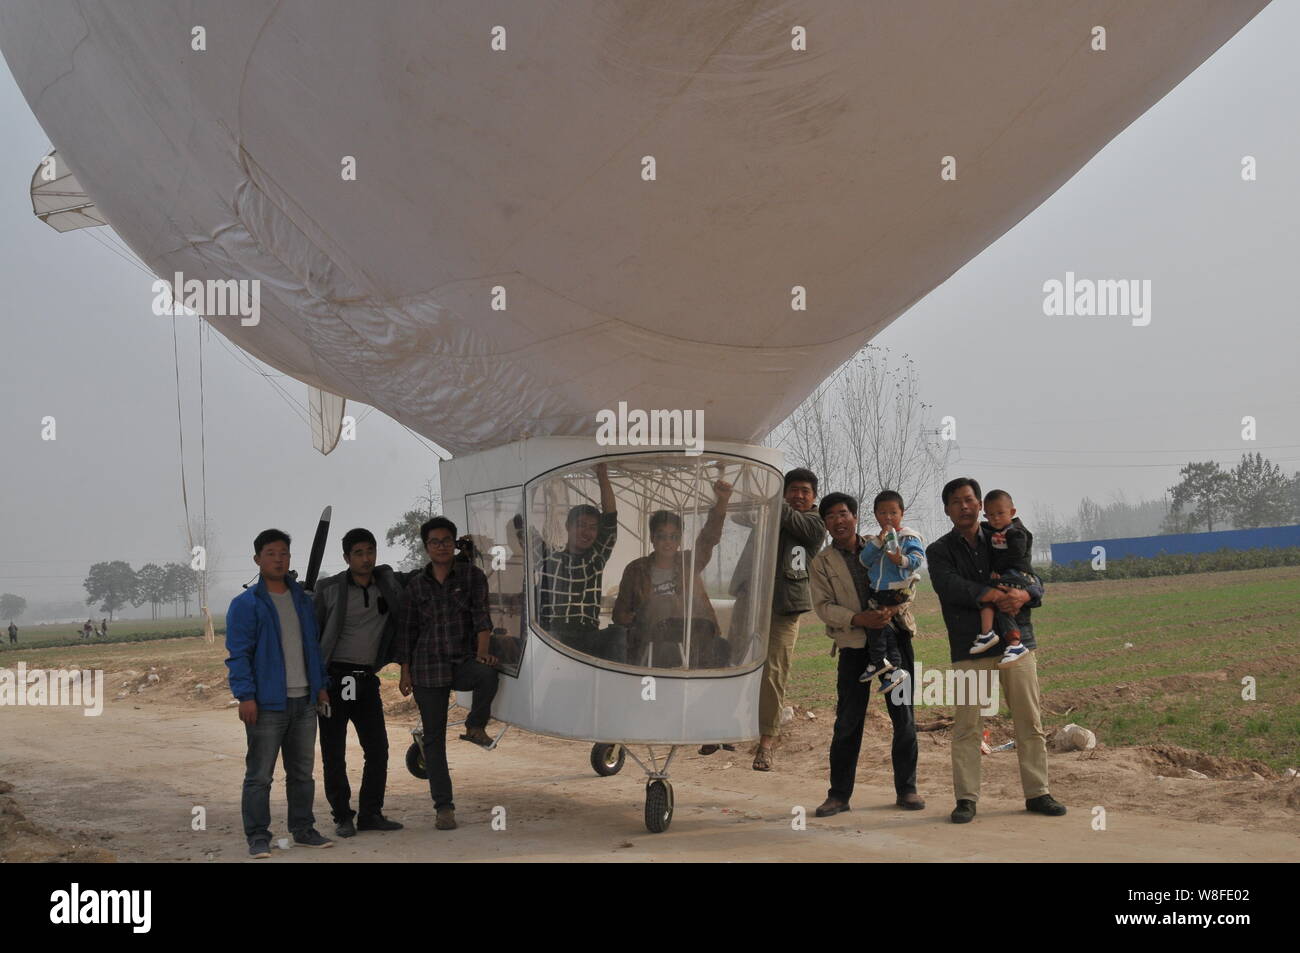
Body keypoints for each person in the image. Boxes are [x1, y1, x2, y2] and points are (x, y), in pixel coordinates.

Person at [927, 477, 1065, 824]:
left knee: (1028, 721)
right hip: (968, 647)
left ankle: (1038, 793)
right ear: (947, 509)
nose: (965, 506)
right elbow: (950, 586)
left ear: (980, 505)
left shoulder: (1006, 536)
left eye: (970, 500)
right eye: (956, 501)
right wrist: (993, 595)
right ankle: (966, 799)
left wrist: (1025, 594)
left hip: (1017, 645)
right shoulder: (939, 550)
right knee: (967, 727)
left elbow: (1034, 579)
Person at [809, 492, 924, 816]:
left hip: (895, 638)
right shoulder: (822, 563)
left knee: (903, 716)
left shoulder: (884, 541)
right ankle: (839, 795)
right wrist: (859, 619)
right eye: (830, 516)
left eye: (843, 513)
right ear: (826, 524)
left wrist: (892, 609)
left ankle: (907, 789)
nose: (838, 520)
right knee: (848, 721)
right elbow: (823, 607)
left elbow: (909, 579)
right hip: (854, 646)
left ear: (855, 517)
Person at [225, 529, 333, 858]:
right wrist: (245, 696)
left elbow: (312, 648)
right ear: (257, 559)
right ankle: (258, 835)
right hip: (267, 704)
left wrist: (321, 687)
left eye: (284, 553)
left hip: (304, 702)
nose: (278, 559)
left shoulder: (302, 600)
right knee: (259, 775)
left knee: (302, 773)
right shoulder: (246, 604)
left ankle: (303, 828)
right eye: (271, 553)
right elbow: (238, 654)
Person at [397, 516, 500, 832]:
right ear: (426, 547)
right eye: (434, 542)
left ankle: (475, 726)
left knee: (487, 675)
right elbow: (408, 630)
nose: (440, 546)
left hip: (462, 661)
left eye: (445, 541)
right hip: (427, 668)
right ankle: (444, 808)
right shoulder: (416, 585)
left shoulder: (472, 576)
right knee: (433, 740)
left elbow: (482, 618)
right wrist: (405, 671)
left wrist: (483, 652)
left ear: (455, 544)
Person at [312, 528, 409, 839]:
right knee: (333, 751)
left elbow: (420, 576)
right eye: (358, 553)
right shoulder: (328, 590)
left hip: (366, 681)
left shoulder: (388, 583)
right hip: (335, 680)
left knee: (378, 748)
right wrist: (319, 685)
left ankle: (370, 813)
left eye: (370, 551)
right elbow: (312, 638)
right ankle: (342, 816)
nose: (366, 558)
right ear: (346, 558)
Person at [726, 467, 825, 771]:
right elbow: (738, 515)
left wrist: (770, 496)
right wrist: (746, 484)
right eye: (792, 489)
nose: (797, 496)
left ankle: (766, 742)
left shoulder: (814, 523)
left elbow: (794, 522)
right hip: (749, 598)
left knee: (774, 672)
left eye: (804, 491)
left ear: (813, 498)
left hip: (785, 605)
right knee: (733, 661)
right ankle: (721, 728)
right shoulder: (768, 511)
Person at [612, 478, 733, 669]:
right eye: (662, 536)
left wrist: (722, 503)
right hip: (651, 643)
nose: (668, 542)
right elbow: (619, 614)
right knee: (660, 604)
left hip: (689, 638)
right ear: (652, 538)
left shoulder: (688, 563)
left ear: (679, 540)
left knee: (722, 647)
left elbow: (708, 539)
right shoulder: (636, 569)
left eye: (674, 537)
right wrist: (641, 616)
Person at [537, 462, 624, 662]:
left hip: (587, 635)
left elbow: (610, 518)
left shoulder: (597, 557)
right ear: (568, 526)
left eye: (592, 527)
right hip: (554, 636)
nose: (587, 532)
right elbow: (518, 525)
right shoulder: (549, 557)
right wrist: (534, 483)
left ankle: (614, 687)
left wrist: (602, 476)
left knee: (618, 634)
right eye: (581, 525)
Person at [856, 490, 926, 690]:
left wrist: (901, 560)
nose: (888, 517)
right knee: (883, 627)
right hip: (879, 590)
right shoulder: (875, 540)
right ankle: (893, 668)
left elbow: (918, 560)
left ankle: (881, 662)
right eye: (882, 513)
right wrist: (878, 542)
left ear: (901, 513)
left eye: (893, 513)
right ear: (876, 515)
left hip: (894, 590)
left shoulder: (907, 537)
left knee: (876, 622)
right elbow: (864, 561)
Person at [969, 489, 1043, 666]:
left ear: (1012, 512)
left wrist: (998, 570)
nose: (995, 518)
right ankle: (988, 634)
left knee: (1001, 601)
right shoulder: (990, 530)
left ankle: (1015, 643)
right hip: (1007, 576)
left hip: (1016, 574)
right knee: (991, 598)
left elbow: (1016, 556)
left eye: (1000, 513)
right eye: (991, 515)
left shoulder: (1016, 532)